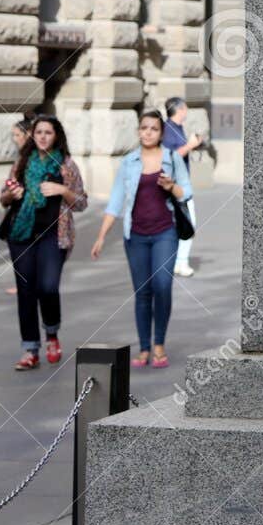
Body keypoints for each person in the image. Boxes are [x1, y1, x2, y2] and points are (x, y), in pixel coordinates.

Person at [92, 110, 191, 369]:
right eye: (144, 128)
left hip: (165, 232)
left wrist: (171, 186)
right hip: (135, 236)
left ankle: (159, 344)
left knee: (162, 286)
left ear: (161, 133)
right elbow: (116, 201)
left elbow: (186, 192)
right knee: (143, 292)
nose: (148, 133)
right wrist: (101, 236)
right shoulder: (129, 162)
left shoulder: (171, 158)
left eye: (154, 129)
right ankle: (144, 348)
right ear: (138, 130)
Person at [0, 115, 86, 370]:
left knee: (47, 287)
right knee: (26, 291)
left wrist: (63, 191)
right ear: (33, 135)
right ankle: (30, 349)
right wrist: (11, 194)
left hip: (54, 235)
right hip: (21, 234)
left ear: (56, 135)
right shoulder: (22, 163)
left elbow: (81, 202)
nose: (43, 137)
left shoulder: (66, 165)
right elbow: (3, 199)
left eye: (48, 132)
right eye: (39, 132)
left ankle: (51, 332)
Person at [162, 97, 205, 278]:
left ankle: (178, 262)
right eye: (185, 108)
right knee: (188, 224)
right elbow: (171, 156)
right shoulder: (168, 130)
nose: (187, 111)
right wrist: (190, 145)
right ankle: (180, 262)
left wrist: (192, 146)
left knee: (181, 224)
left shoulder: (176, 128)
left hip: (179, 184)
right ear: (179, 110)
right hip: (175, 186)